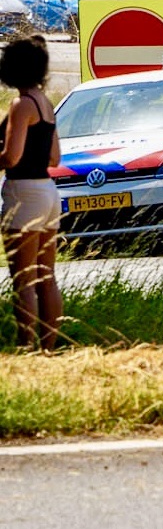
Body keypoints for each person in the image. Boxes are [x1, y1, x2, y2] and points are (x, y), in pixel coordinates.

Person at [0, 36, 62, 350]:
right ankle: (49, 348)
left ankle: (27, 347)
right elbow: (55, 158)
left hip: (24, 192)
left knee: (23, 278)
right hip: (49, 192)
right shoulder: (46, 103)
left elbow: (11, 156)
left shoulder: (21, 105)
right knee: (45, 275)